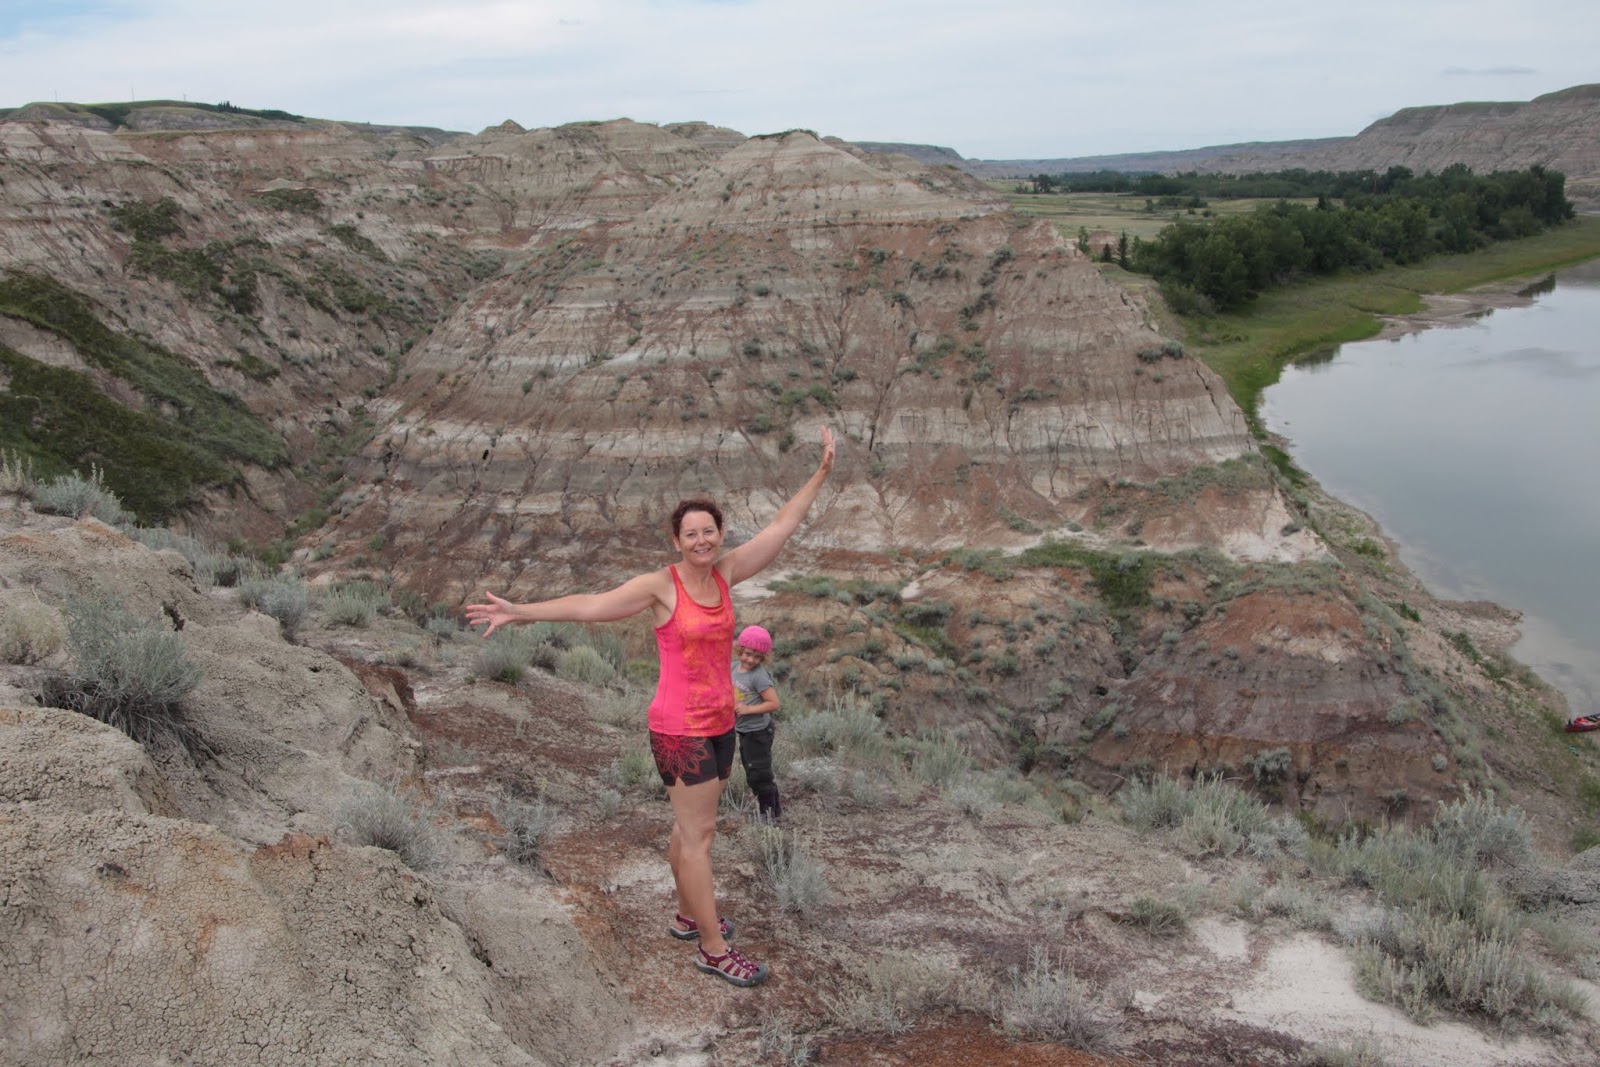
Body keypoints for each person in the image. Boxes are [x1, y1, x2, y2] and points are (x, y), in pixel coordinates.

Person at [464, 427, 835, 988]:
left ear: (720, 534)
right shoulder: (661, 587)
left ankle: (689, 916)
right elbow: (591, 606)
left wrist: (821, 473)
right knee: (699, 837)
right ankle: (713, 949)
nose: (702, 541)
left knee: (691, 830)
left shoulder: (726, 574)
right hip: (678, 728)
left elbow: (781, 526)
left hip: (722, 723)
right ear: (677, 540)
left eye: (709, 531)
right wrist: (522, 611)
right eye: (692, 534)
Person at [731, 625, 782, 822]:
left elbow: (774, 703)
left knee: (759, 774)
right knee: (753, 771)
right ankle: (774, 811)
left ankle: (768, 815)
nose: (751, 660)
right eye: (748, 654)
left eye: (758, 657)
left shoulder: (758, 676)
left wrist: (748, 709)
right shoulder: (733, 668)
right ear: (740, 650)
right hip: (745, 731)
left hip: (758, 732)